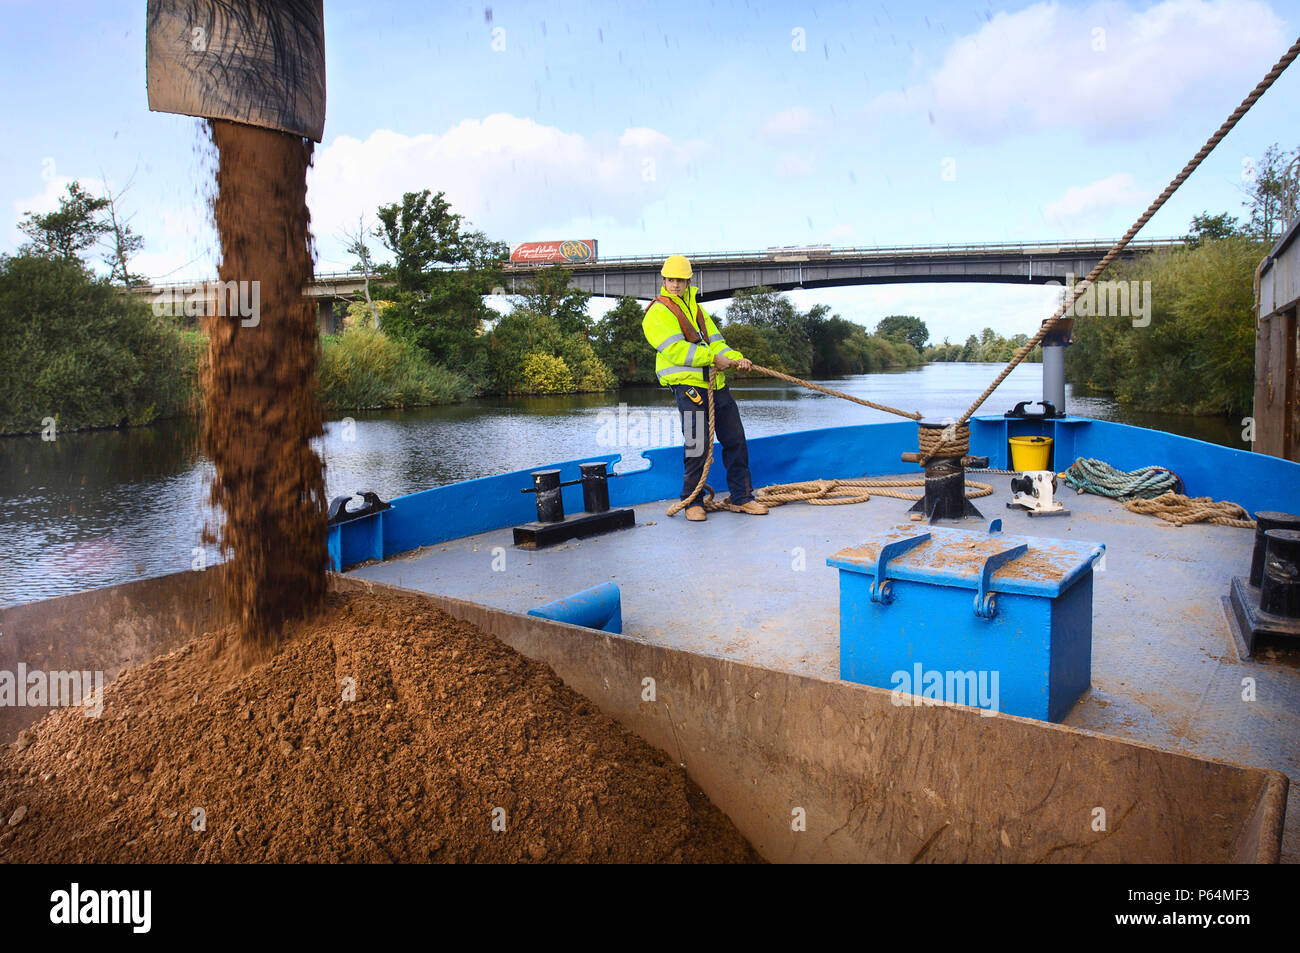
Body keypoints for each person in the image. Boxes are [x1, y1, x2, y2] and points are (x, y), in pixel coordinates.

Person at [642, 255, 768, 521]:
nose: (675, 284)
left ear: (689, 282)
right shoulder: (657, 312)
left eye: (680, 280)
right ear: (664, 280)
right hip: (687, 388)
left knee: (735, 441)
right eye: (670, 279)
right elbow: (676, 350)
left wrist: (735, 357)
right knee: (697, 446)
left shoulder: (698, 312)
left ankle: (741, 497)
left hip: (716, 386)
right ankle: (692, 502)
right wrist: (713, 359)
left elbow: (717, 343)